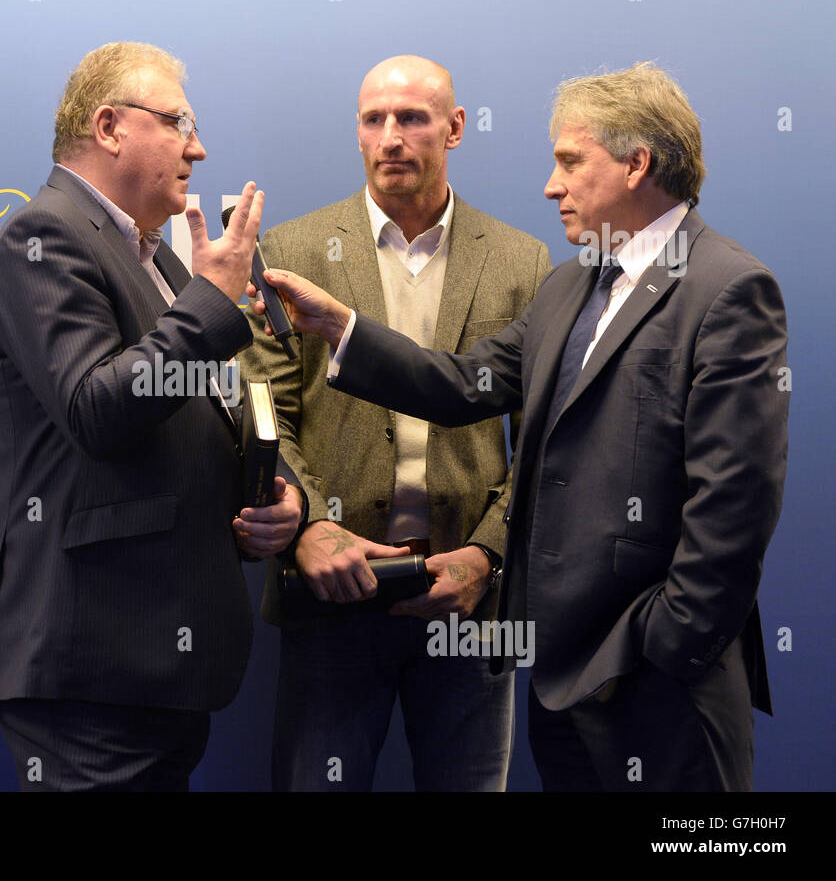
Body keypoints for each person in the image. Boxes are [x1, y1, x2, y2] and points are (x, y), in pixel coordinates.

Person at [253, 62, 787, 791]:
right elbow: (460, 382)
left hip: (660, 685)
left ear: (637, 165)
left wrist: (667, 649)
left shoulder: (726, 288)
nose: (550, 185)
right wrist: (341, 327)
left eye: (570, 162)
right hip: (563, 685)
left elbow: (735, 505)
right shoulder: (572, 283)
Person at [0, 42, 304, 791]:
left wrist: (275, 492)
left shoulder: (158, 257)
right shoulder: (45, 236)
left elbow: (204, 406)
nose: (199, 145)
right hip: (93, 664)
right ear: (110, 126)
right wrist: (212, 304)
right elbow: (95, 407)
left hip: (158, 663)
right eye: (179, 121)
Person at [238, 55, 550, 791]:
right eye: (373, 119)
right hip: (332, 596)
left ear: (455, 127)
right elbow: (263, 417)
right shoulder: (291, 251)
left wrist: (487, 555)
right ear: (356, 130)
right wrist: (312, 526)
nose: (391, 137)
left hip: (467, 599)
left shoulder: (520, 260)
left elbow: (541, 442)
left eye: (412, 118)